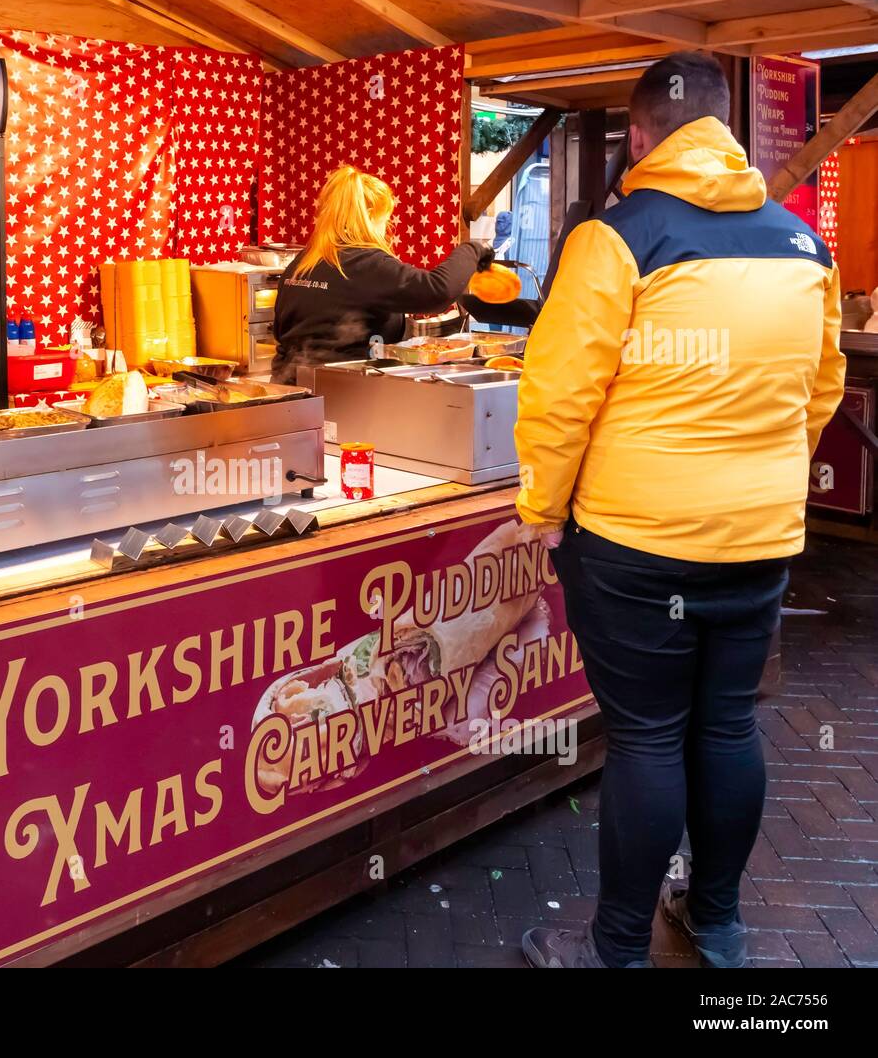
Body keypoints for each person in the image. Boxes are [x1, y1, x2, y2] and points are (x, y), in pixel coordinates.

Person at [516, 52, 845, 969]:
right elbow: (819, 391)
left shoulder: (617, 236)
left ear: (638, 135)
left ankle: (616, 950)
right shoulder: (800, 243)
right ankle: (717, 924)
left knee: (648, 737)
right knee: (728, 725)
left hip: (637, 542)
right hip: (760, 538)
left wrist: (543, 504)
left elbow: (558, 393)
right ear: (726, 133)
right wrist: (763, 475)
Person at [270, 166, 493, 385]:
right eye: (386, 219)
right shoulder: (365, 263)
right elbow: (438, 291)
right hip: (341, 394)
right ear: (370, 217)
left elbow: (281, 329)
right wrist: (472, 250)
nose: (387, 227)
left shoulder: (302, 262)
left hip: (287, 388)